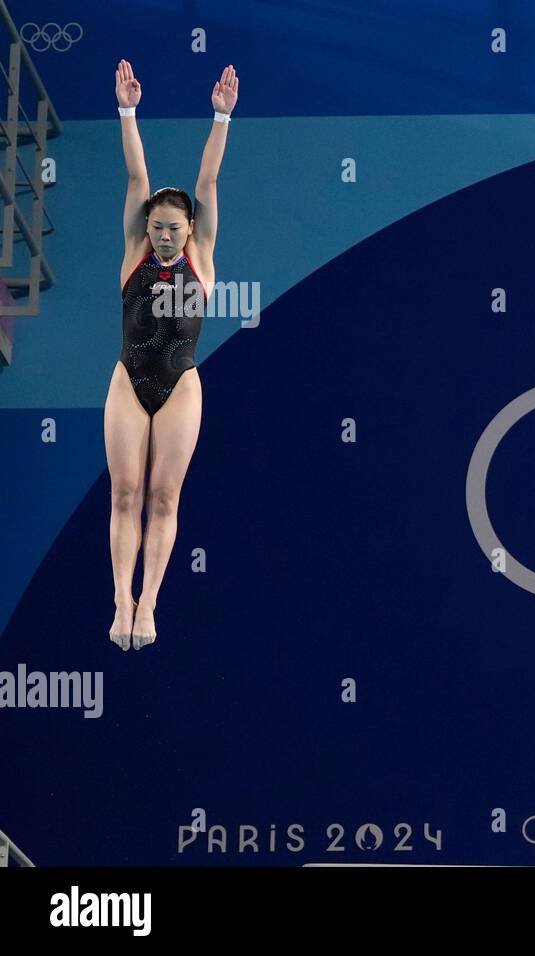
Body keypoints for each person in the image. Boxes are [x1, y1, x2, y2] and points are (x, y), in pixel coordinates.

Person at [104, 59, 238, 650]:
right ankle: (119, 602)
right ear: (147, 227)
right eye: (156, 226)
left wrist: (220, 117)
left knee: (163, 497)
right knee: (124, 492)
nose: (163, 235)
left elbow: (207, 183)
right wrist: (127, 110)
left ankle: (150, 603)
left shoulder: (200, 259)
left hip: (181, 383)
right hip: (129, 378)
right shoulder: (134, 252)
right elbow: (137, 175)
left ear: (189, 232)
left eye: (173, 228)